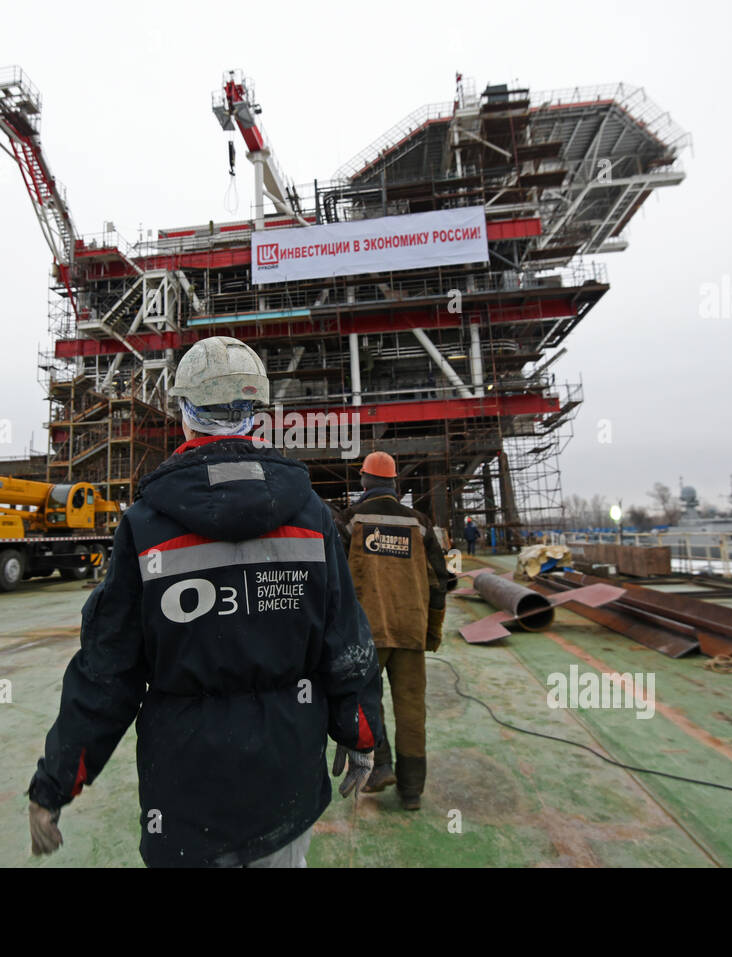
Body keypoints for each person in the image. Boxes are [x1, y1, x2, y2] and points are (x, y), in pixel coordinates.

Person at [26, 335, 383, 867]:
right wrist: (361, 735)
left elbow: (107, 672)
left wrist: (55, 783)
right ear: (254, 415)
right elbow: (345, 641)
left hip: (187, 798)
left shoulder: (145, 526)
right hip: (285, 784)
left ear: (185, 416)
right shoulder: (310, 516)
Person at [336, 451, 454, 810]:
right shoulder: (419, 524)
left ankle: (380, 766)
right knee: (411, 709)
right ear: (394, 482)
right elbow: (440, 583)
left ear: (365, 481)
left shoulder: (350, 521)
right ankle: (412, 791)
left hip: (365, 634)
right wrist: (431, 632)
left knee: (367, 702)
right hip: (409, 631)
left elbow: (334, 582)